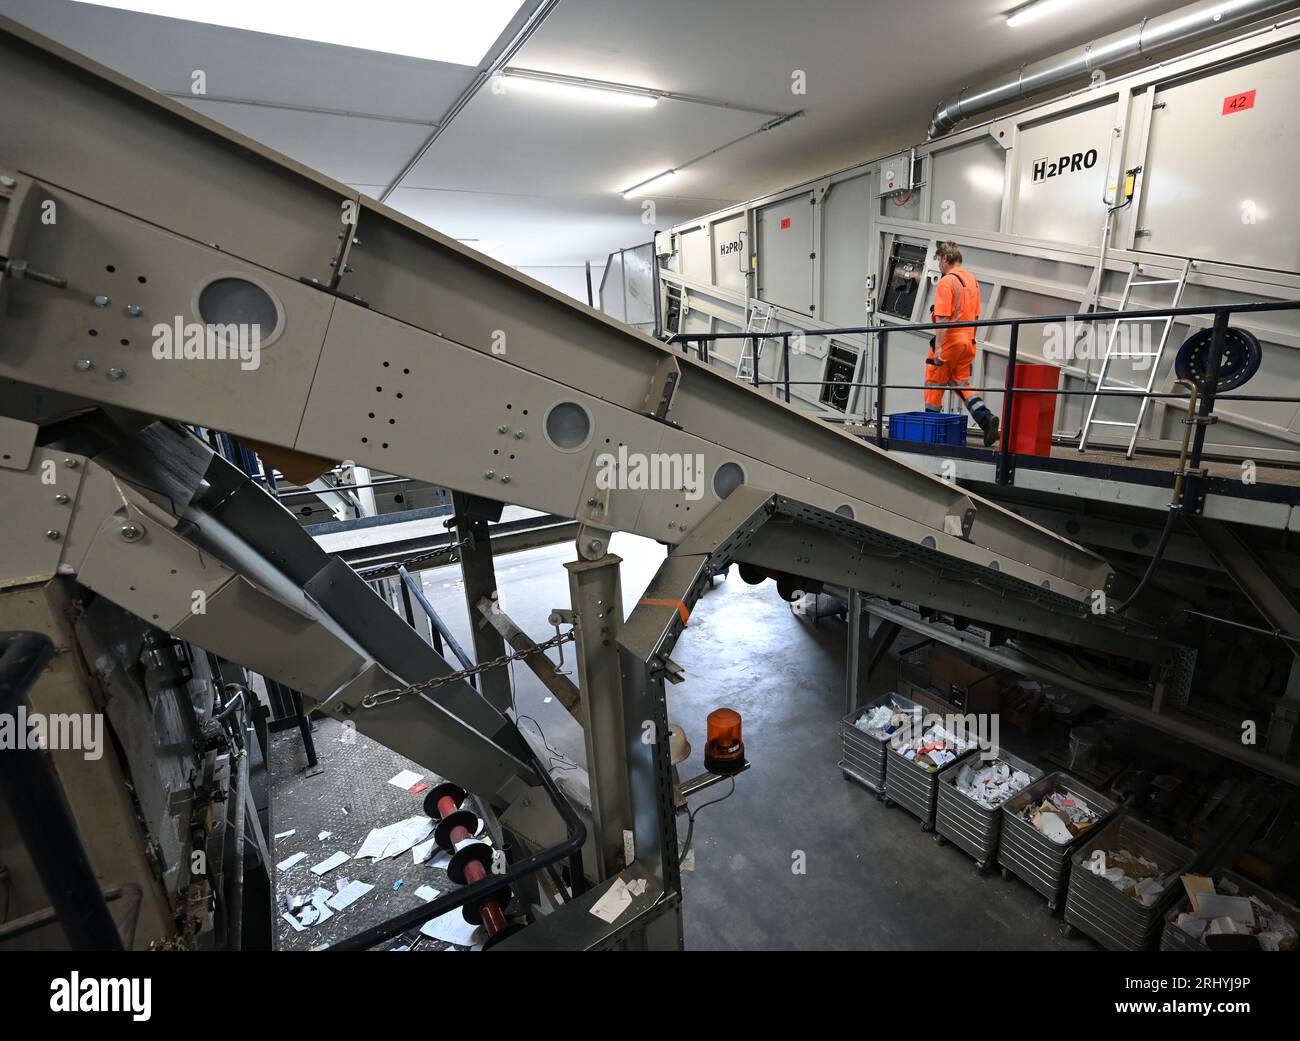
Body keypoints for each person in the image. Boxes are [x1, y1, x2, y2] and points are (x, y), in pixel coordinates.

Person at [925, 241, 999, 447]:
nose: (938, 264)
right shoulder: (972, 281)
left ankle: (931, 432)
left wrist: (939, 347)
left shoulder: (947, 282)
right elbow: (975, 315)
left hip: (949, 341)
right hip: (968, 341)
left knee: (934, 383)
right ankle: (985, 419)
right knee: (962, 383)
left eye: (939, 260)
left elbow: (942, 317)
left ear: (945, 258)